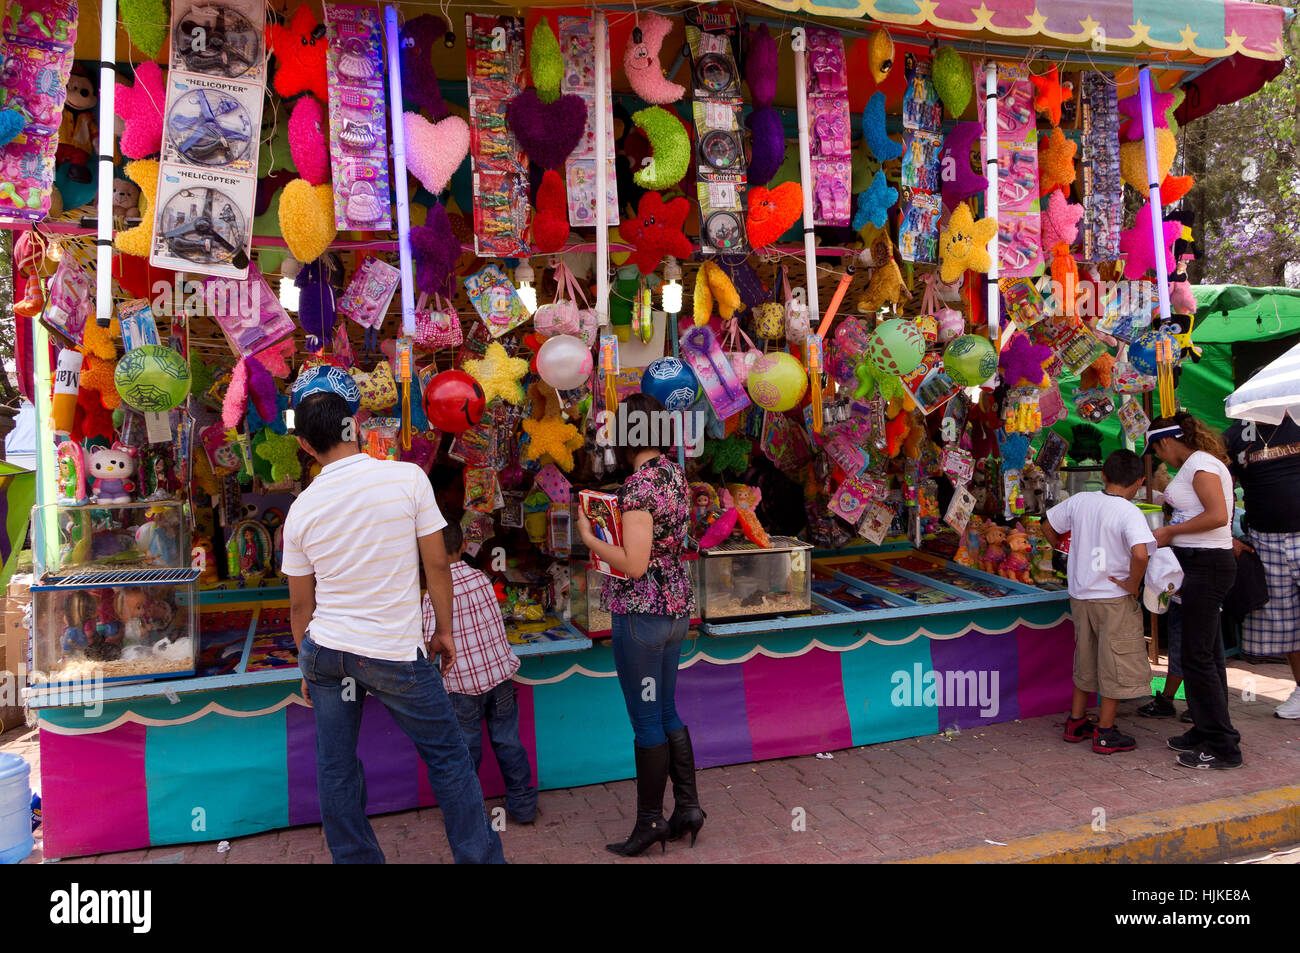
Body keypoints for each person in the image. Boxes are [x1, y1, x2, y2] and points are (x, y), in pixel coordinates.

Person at [282, 389, 505, 863]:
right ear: (355, 427)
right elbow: (438, 566)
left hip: (326, 651)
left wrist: (307, 664)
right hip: (392, 654)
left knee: (336, 768)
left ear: (305, 446)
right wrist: (444, 630)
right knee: (449, 760)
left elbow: (300, 607)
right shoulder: (407, 479)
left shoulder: (300, 510)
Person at [576, 393, 700, 856]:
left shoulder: (637, 488)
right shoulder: (673, 475)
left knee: (647, 719)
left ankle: (650, 823)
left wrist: (591, 538)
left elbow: (632, 563)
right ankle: (687, 807)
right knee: (666, 710)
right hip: (674, 608)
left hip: (642, 614)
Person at [421, 519, 538, 825]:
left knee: (466, 752)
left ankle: (467, 815)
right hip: (498, 677)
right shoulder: (481, 579)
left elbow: (430, 643)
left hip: (462, 686)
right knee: (508, 742)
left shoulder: (433, 593)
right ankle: (524, 806)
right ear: (463, 546)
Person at [1147, 411, 1243, 769]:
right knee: (1204, 653)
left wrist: (1171, 532)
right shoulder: (1197, 464)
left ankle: (1223, 745)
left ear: (1167, 441)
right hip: (1198, 564)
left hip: (1209, 565)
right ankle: (1206, 729)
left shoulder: (1201, 465)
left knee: (1199, 656)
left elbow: (1218, 515)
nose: (1160, 458)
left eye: (1158, 450)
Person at [1043, 449, 1154, 754]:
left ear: (1103, 476)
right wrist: (1133, 583)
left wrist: (1064, 551)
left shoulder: (1081, 501)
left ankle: (1076, 721)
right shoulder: (1129, 511)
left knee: (1087, 656)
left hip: (1081, 595)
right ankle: (1105, 731)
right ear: (1140, 482)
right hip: (1113, 598)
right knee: (1114, 661)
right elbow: (1141, 554)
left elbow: (1047, 525)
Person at [1223, 411, 1300, 720]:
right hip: (1265, 540)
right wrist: (1227, 536)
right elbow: (1219, 482)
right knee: (1288, 621)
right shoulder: (1235, 436)